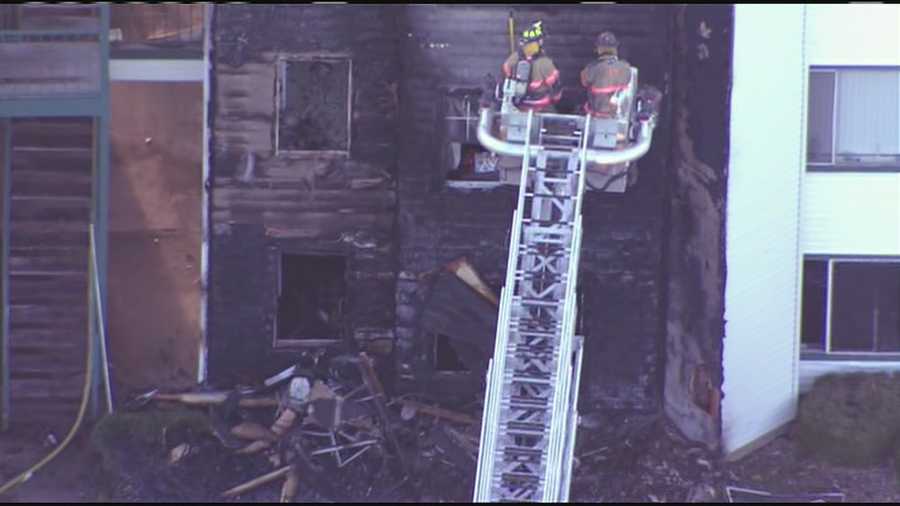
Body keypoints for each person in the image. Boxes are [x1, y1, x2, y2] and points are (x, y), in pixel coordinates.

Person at [501, 20, 562, 113]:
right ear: (540, 42)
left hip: (518, 106)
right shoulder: (546, 63)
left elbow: (505, 69)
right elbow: (556, 93)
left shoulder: (515, 57)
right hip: (540, 107)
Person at [580, 31, 633, 118]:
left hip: (596, 117)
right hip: (619, 117)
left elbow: (584, 82)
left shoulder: (591, 68)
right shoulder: (626, 67)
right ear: (615, 48)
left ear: (599, 49)